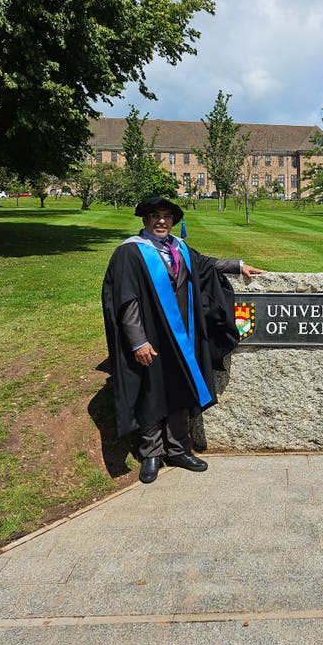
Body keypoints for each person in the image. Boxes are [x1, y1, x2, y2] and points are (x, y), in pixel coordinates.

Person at [102, 196, 265, 483]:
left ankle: (178, 449)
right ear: (145, 219)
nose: (161, 221)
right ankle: (151, 452)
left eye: (166, 216)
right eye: (155, 215)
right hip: (151, 337)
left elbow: (205, 265)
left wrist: (239, 266)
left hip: (182, 335)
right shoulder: (131, 253)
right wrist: (138, 342)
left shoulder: (180, 248)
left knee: (180, 390)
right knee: (151, 392)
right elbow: (127, 301)